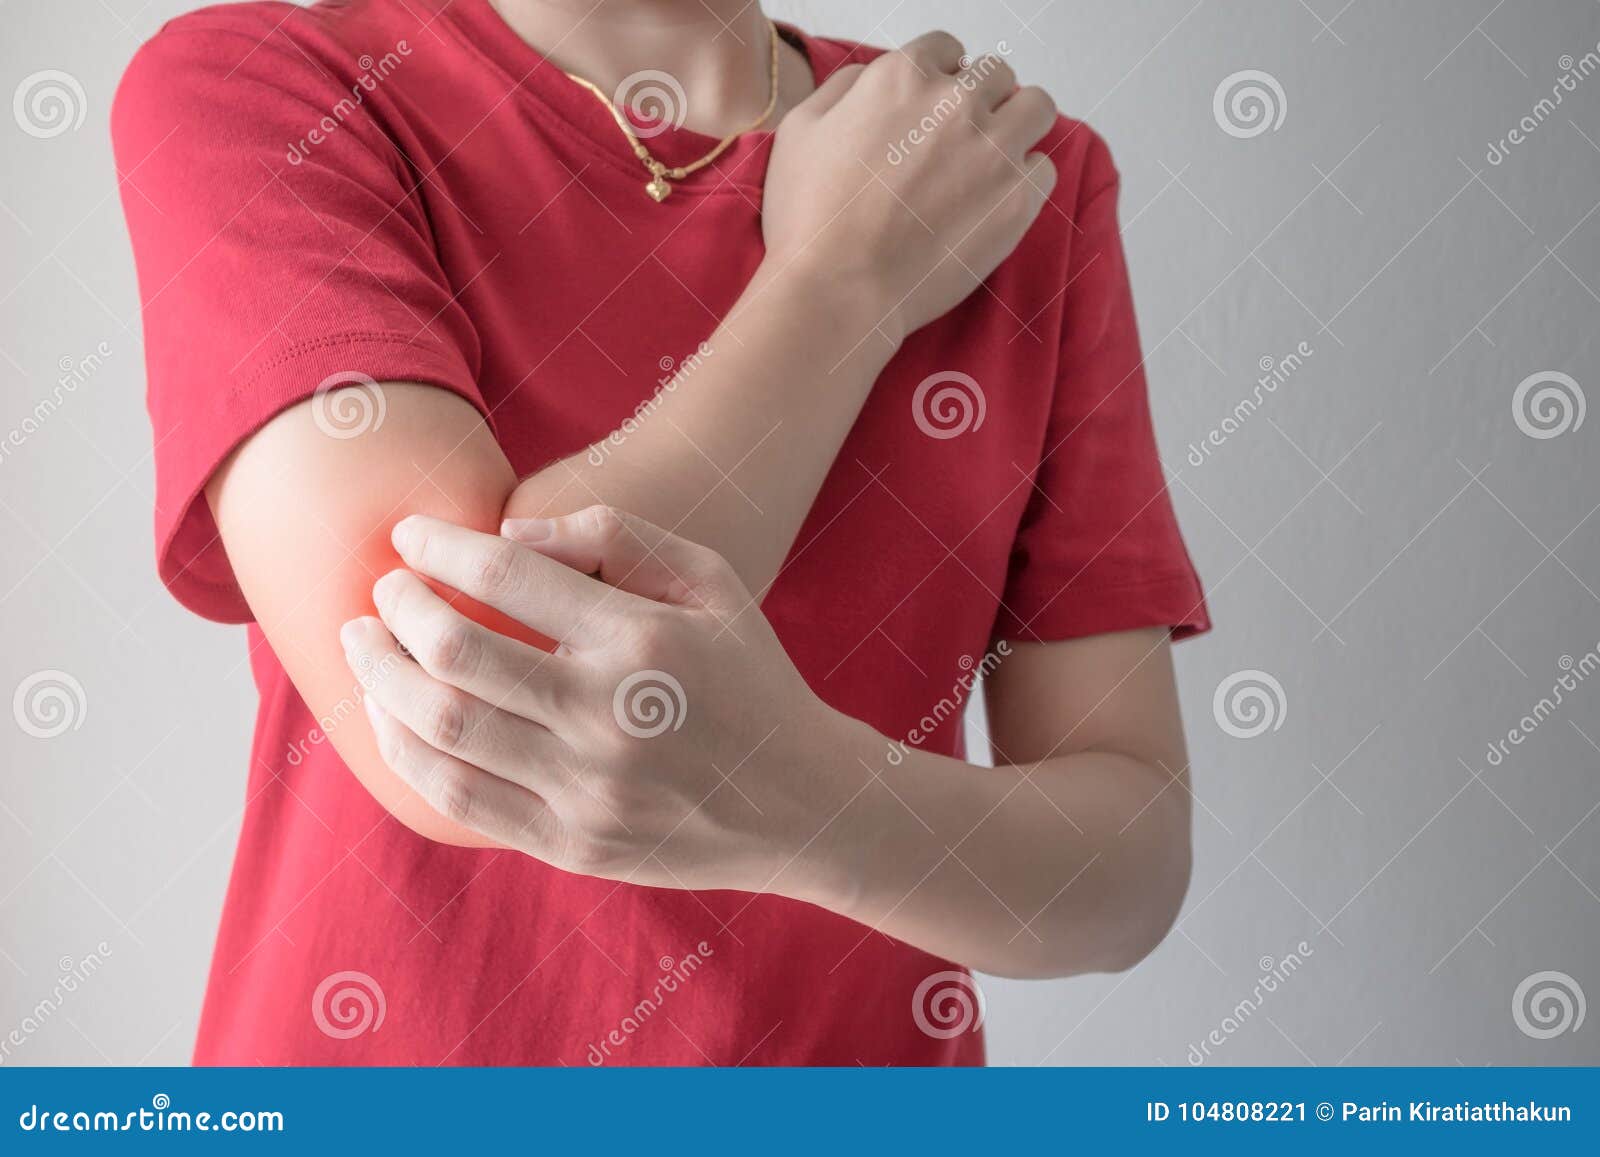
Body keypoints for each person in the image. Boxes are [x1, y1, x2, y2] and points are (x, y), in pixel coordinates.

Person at [113, 0, 1209, 1066]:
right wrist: (842, 285)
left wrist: (809, 801)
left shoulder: (994, 168)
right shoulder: (266, 86)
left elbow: (1128, 863)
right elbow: (457, 693)